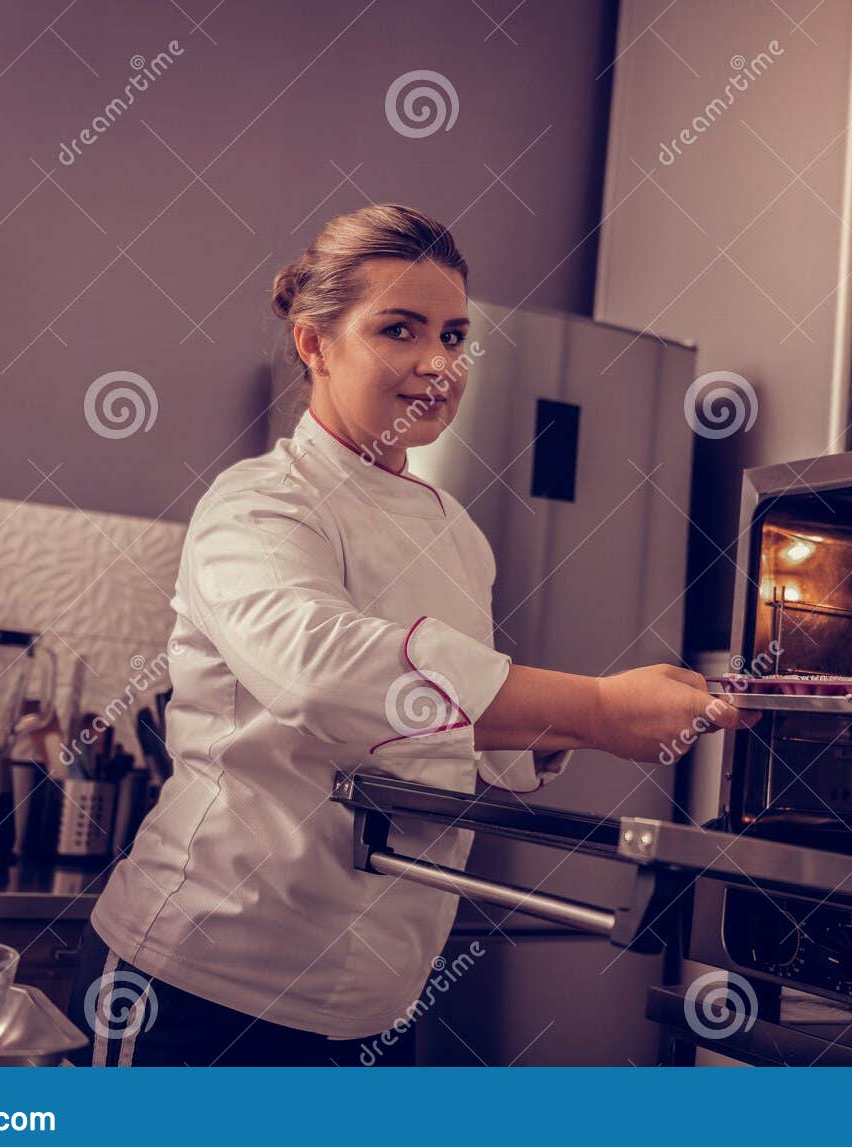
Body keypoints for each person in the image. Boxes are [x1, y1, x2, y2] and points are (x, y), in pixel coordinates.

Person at [67, 203, 756, 1066]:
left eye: (455, 334)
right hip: (203, 979)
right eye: (400, 329)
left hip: (375, 1000)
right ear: (316, 344)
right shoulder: (257, 504)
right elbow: (324, 672)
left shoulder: (457, 533)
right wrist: (595, 710)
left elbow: (448, 735)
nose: (439, 363)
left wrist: (561, 734)